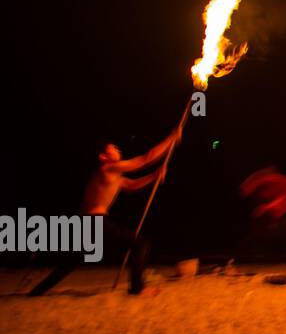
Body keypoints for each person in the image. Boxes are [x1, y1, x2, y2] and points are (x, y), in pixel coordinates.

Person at [29, 126, 183, 296]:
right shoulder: (107, 168)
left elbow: (131, 185)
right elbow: (144, 159)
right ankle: (138, 288)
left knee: (74, 260)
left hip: (85, 222)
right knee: (140, 243)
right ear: (103, 157)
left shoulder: (114, 176)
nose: (118, 149)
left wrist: (153, 176)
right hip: (93, 221)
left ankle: (37, 291)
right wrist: (171, 138)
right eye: (113, 148)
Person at [234, 167, 286, 269]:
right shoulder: (276, 184)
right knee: (264, 238)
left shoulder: (274, 182)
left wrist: (270, 208)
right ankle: (247, 261)